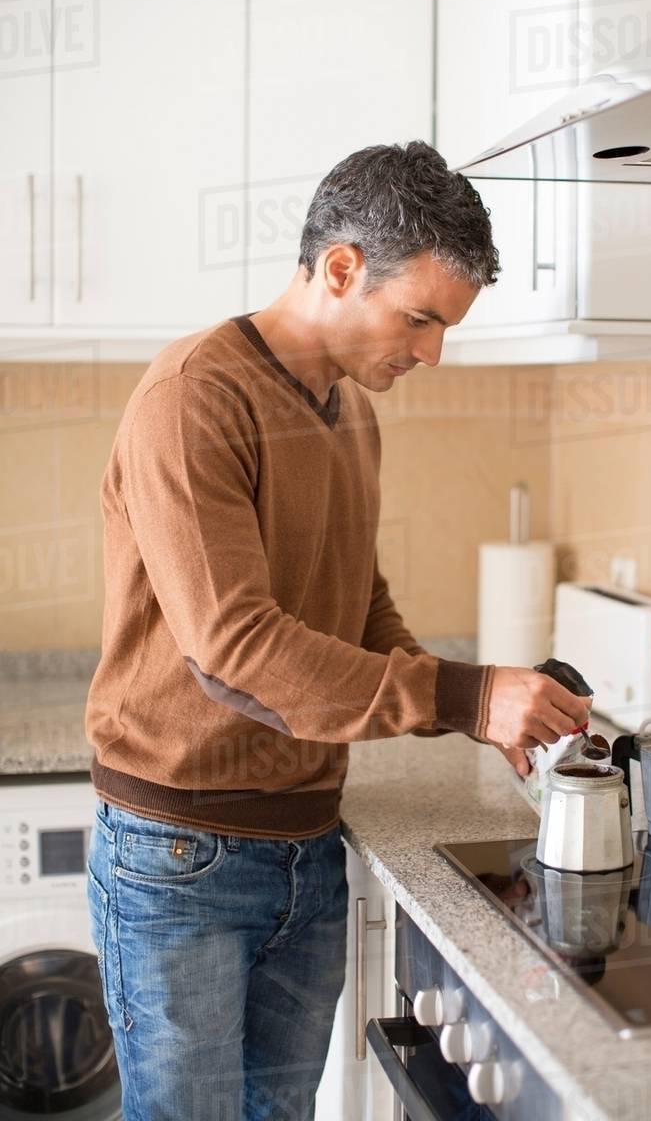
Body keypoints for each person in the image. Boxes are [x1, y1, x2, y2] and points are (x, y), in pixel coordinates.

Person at [84, 140, 591, 1121]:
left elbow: (357, 607)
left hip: (305, 841)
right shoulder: (197, 393)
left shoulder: (348, 413)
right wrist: (466, 695)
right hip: (179, 854)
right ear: (341, 268)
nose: (431, 352)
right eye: (420, 319)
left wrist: (488, 714)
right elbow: (234, 649)